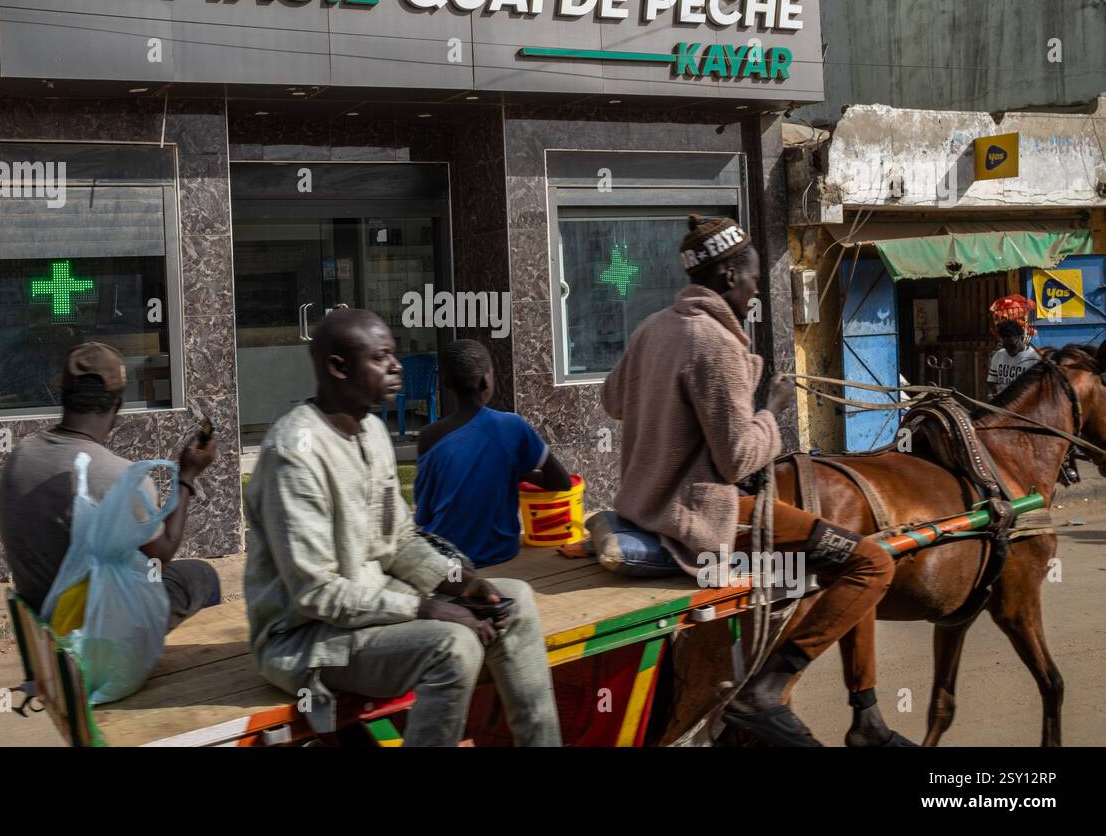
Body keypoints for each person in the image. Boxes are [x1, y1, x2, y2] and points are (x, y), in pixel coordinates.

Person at [600, 214, 896, 747]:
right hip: (702, 519)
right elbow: (737, 459)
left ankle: (864, 716)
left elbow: (612, 400)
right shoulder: (715, 343)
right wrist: (772, 411)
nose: (757, 289)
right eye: (755, 278)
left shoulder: (653, 327)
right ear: (730, 276)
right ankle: (768, 689)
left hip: (641, 506)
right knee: (871, 562)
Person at [243, 309, 561, 746]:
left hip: (374, 612)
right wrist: (425, 609)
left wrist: (461, 584)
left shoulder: (373, 430)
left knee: (515, 599)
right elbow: (316, 593)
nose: (397, 367)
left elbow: (399, 542)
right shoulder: (293, 454)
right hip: (310, 639)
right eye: (382, 357)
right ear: (338, 367)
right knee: (453, 646)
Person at [0, 342, 220, 632]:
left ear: (63, 395)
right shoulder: (120, 477)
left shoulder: (20, 457)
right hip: (99, 634)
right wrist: (187, 476)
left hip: (42, 627)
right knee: (201, 576)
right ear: (117, 404)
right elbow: (161, 555)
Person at [413, 339, 572, 568]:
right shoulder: (512, 426)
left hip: (445, 559)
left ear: (446, 382)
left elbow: (424, 514)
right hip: (499, 552)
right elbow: (562, 482)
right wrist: (518, 472)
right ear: (485, 379)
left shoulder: (428, 436)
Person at [986, 319, 1040, 397]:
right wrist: (995, 390)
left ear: (1021, 338)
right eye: (1005, 346)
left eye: (1012, 346)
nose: (1008, 350)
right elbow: (991, 382)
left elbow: (1037, 389)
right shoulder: (999, 355)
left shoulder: (1034, 358)